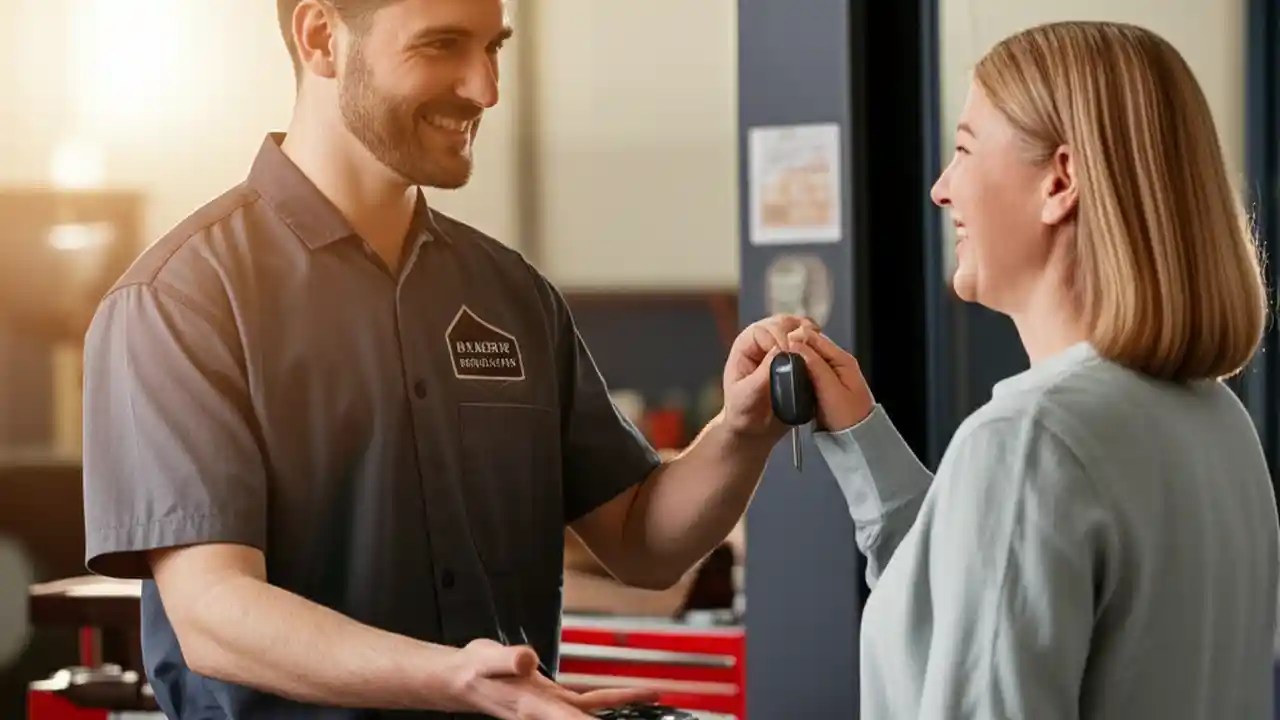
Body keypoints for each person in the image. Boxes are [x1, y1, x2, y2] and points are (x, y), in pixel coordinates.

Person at [79, 1, 805, 717]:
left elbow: (642, 544)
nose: (486, 89)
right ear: (322, 37)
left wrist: (741, 431)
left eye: (494, 48)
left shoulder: (511, 293)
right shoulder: (182, 300)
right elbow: (214, 614)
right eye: (442, 45)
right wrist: (454, 679)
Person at [787, 20, 1279, 719]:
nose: (941, 189)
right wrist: (861, 434)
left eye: (964, 150)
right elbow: (973, 605)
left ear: (1060, 180)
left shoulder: (1029, 438)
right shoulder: (1216, 421)